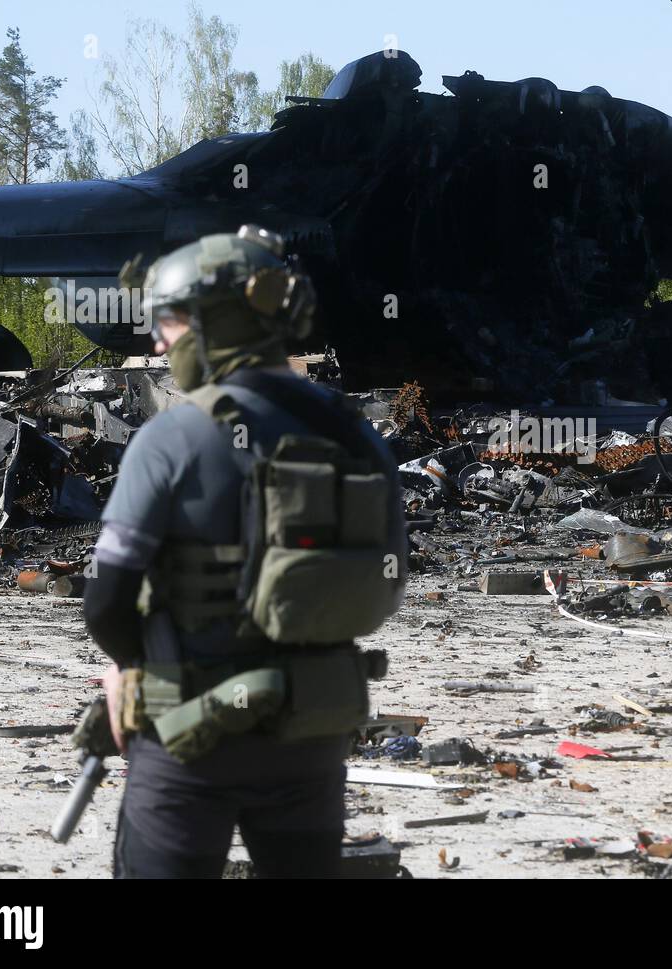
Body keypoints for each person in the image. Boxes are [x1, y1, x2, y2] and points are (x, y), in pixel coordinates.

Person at [83, 225, 406, 878]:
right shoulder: (357, 436)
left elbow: (106, 602)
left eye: (169, 323)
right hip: (313, 741)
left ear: (214, 325)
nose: (157, 340)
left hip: (186, 746)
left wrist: (127, 671)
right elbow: (388, 584)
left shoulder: (172, 436)